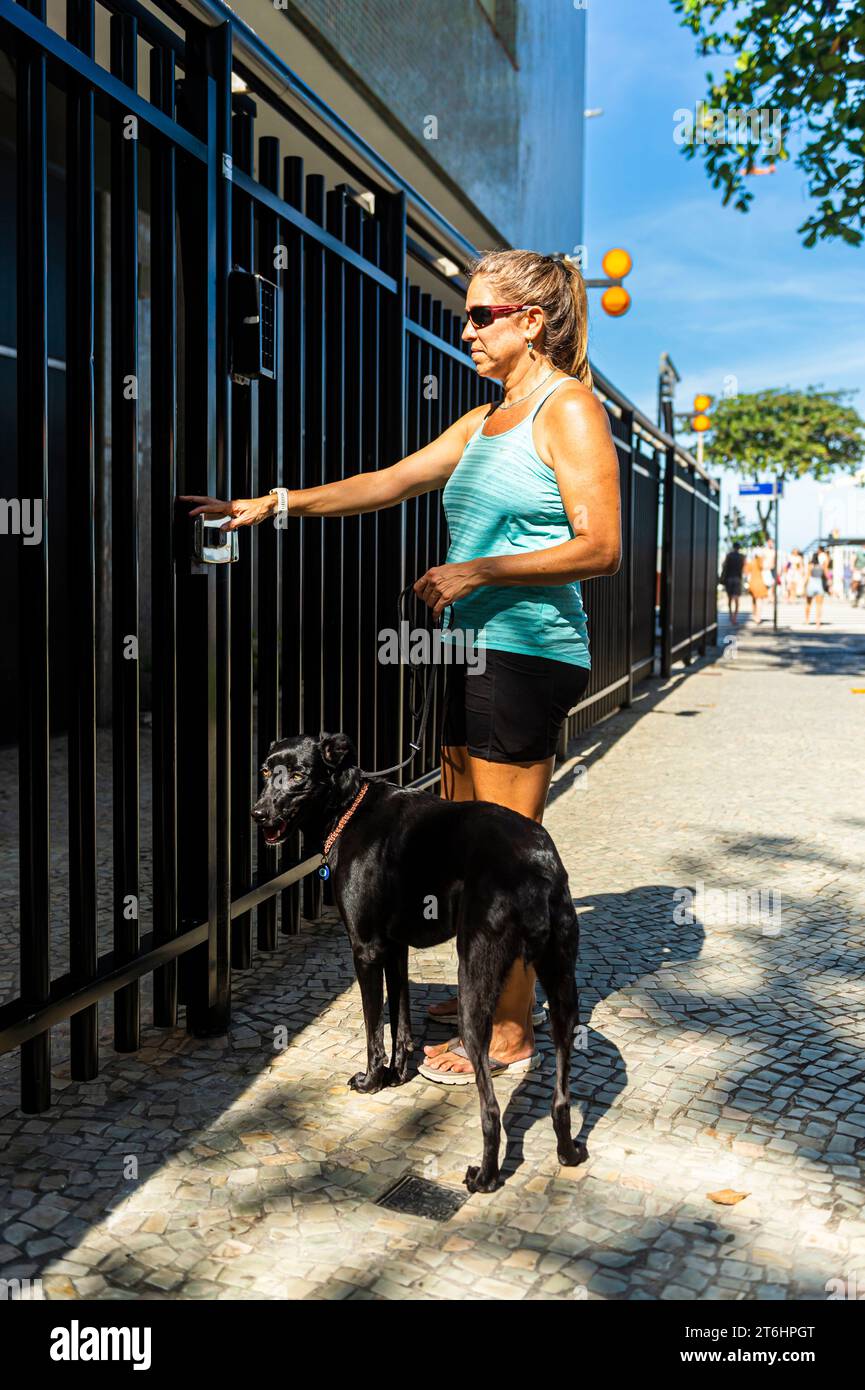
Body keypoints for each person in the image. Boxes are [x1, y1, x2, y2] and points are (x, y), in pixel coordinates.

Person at [181, 248, 622, 1083]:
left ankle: (509, 1032)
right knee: (461, 847)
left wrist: (476, 570)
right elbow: (387, 482)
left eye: (481, 315)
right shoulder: (488, 419)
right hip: (468, 650)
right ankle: (479, 991)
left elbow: (600, 547)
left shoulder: (567, 411)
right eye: (467, 313)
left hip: (525, 654)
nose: (466, 329)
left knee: (501, 857)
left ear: (530, 322)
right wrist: (271, 504)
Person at [719, 541, 744, 625]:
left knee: (729, 598)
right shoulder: (741, 557)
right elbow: (743, 568)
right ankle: (734, 618)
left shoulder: (729, 556)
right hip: (737, 579)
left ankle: (730, 615)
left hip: (729, 579)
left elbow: (724, 567)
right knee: (736, 599)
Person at [804, 550, 828, 628]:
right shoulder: (822, 565)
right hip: (819, 584)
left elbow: (807, 576)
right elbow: (825, 575)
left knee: (808, 604)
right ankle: (818, 622)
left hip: (811, 583)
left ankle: (807, 620)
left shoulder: (810, 565)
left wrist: (804, 586)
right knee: (819, 605)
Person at [745, 549, 768, 623]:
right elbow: (766, 567)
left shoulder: (751, 562)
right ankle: (758, 617)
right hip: (759, 582)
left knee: (754, 600)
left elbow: (746, 572)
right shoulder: (760, 561)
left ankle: (755, 615)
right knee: (759, 601)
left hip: (752, 582)